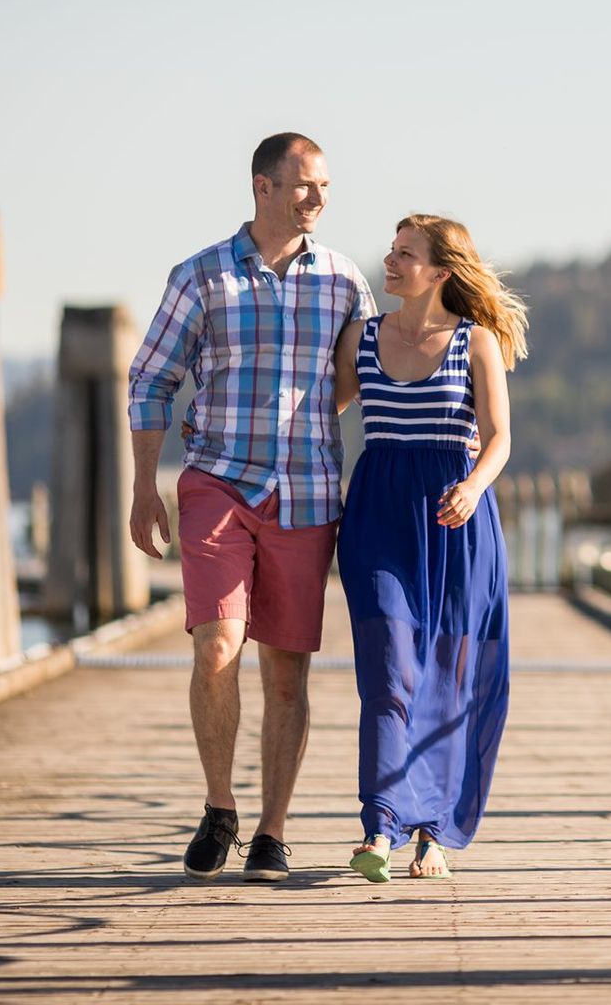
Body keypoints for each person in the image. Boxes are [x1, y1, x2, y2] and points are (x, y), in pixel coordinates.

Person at [128, 132, 375, 883]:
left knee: (287, 676)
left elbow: (355, 376)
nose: (318, 198)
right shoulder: (200, 276)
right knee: (216, 647)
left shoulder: (342, 280)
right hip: (217, 483)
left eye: (325, 185)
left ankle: (271, 831)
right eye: (304, 185)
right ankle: (218, 806)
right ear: (263, 187)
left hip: (306, 491)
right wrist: (145, 487)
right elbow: (150, 381)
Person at [334, 214, 526, 882]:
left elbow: (499, 436)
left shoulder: (475, 343)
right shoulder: (361, 338)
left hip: (455, 521)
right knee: (388, 673)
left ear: (441, 272)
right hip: (378, 518)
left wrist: (473, 487)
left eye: (404, 255)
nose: (389, 263)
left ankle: (432, 833)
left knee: (448, 680)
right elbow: (309, 410)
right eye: (391, 252)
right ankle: (378, 826)